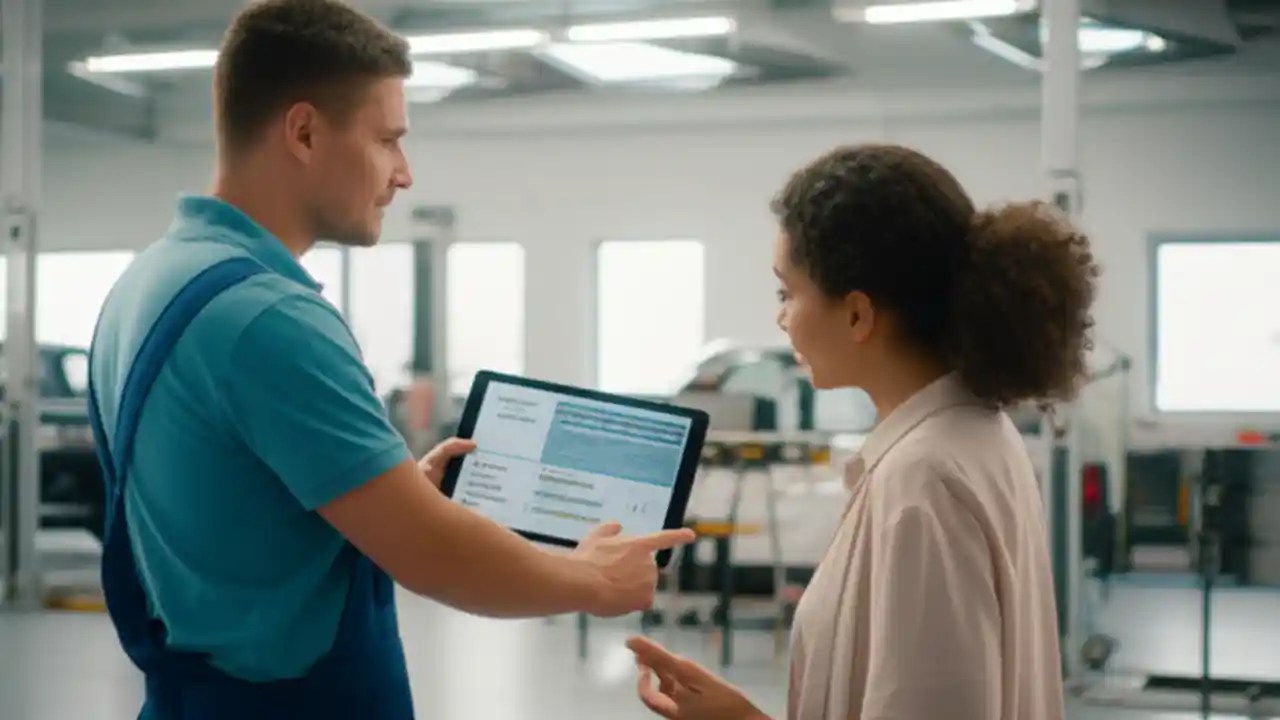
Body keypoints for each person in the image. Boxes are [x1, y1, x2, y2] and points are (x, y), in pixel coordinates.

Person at [87, 1, 692, 718]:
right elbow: (435, 556)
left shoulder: (150, 281)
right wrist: (592, 581)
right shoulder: (271, 318)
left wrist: (387, 495)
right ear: (305, 132)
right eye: (387, 140)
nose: (404, 174)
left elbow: (227, 511)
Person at [627, 143, 1099, 720]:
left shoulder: (924, 479)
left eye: (787, 292)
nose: (781, 317)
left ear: (857, 314)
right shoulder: (972, 433)